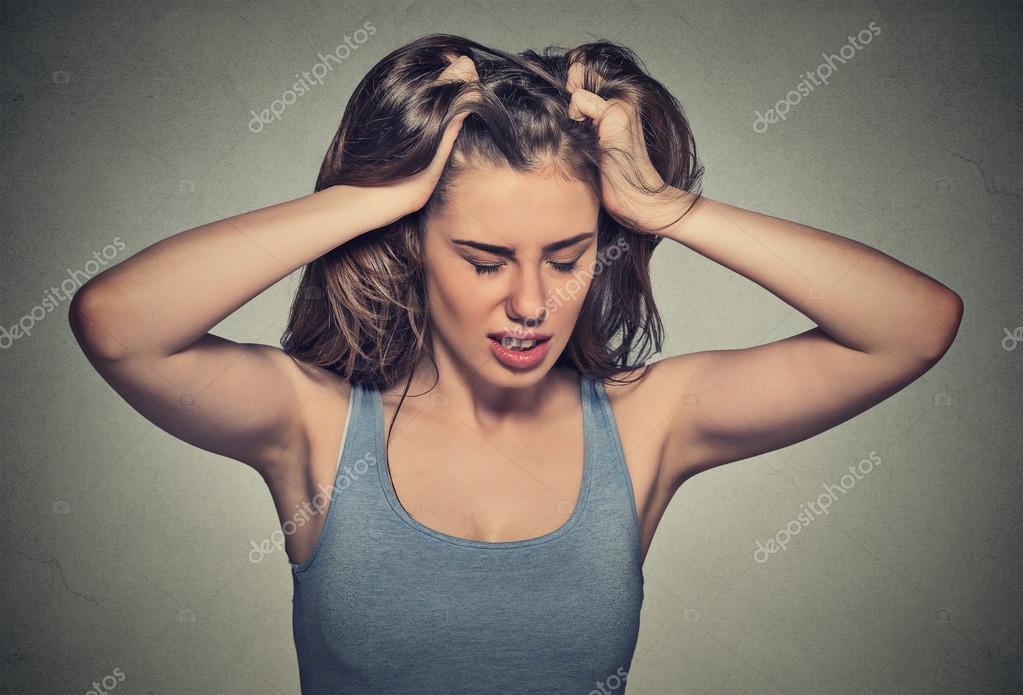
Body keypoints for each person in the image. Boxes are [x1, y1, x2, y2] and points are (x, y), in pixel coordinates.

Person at [68, 33, 963, 695]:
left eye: (567, 257)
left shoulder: (648, 423)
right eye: (486, 259)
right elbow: (118, 323)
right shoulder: (314, 423)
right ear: (412, 244)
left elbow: (913, 324)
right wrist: (375, 194)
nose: (530, 301)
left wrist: (661, 205)